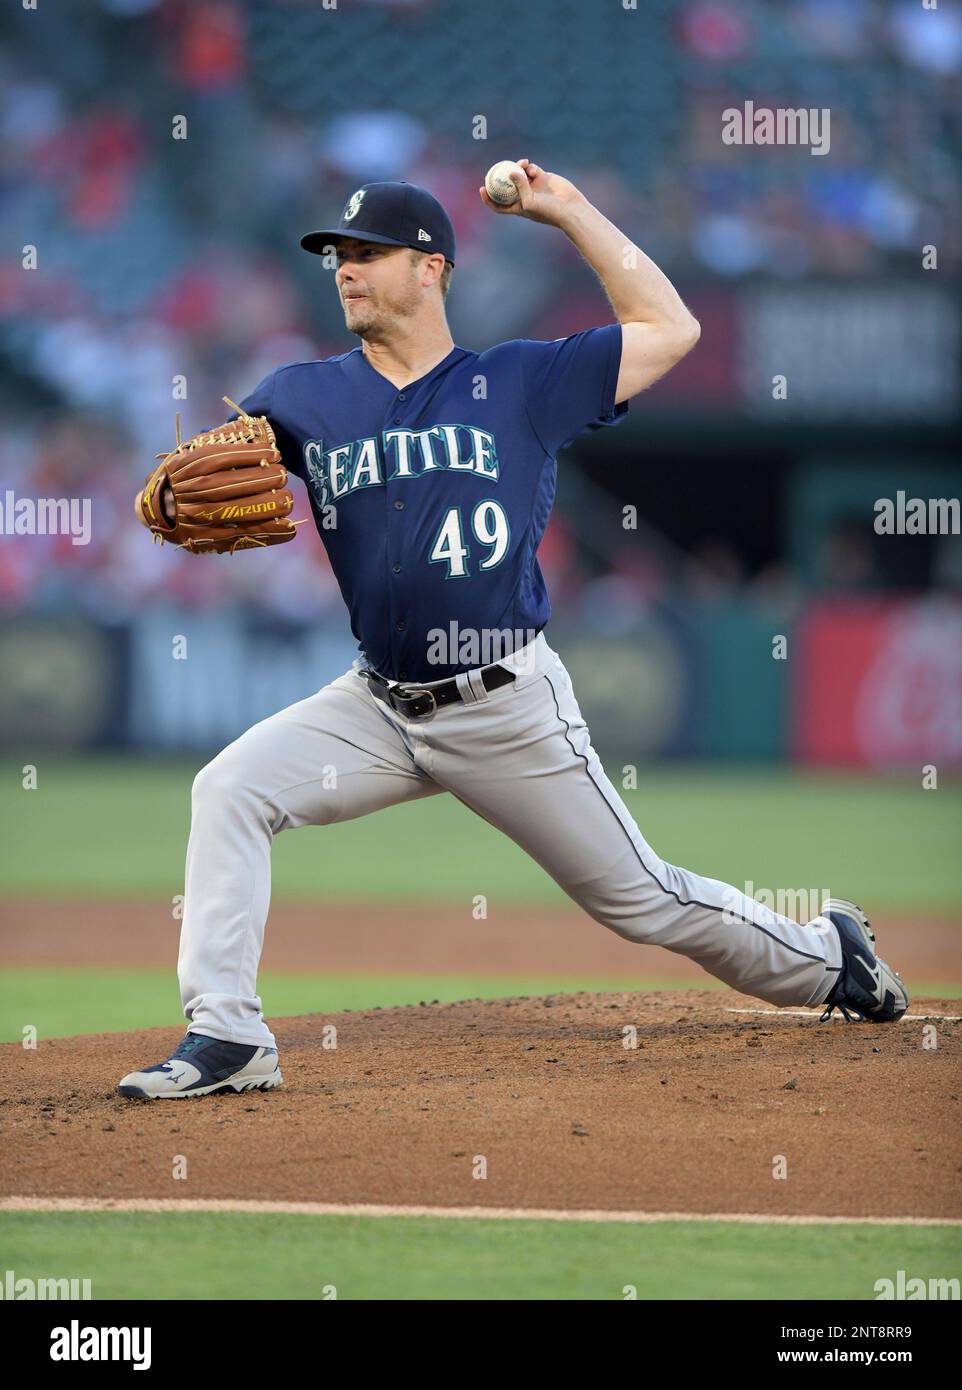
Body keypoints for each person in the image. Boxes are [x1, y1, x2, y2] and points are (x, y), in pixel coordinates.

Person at [118, 163, 907, 1099]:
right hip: (376, 706)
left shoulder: (521, 382)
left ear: (432, 270)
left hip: (505, 708)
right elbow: (204, 472)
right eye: (337, 254)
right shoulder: (300, 397)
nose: (344, 268)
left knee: (643, 900)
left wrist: (566, 209)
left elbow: (671, 330)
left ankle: (830, 958)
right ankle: (229, 1036)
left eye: (369, 253)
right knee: (230, 790)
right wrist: (168, 488)